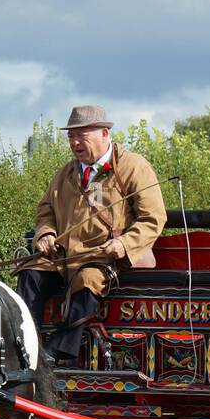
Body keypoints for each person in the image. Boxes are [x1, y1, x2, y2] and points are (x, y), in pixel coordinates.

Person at [18, 105, 168, 364]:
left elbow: (154, 218)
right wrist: (45, 234)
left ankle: (59, 351)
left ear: (104, 134)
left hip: (106, 258)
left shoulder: (133, 167)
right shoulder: (66, 173)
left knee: (88, 278)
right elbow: (46, 210)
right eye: (71, 137)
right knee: (30, 271)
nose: (75, 143)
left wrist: (124, 243)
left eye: (81, 136)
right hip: (64, 255)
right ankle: (24, 343)